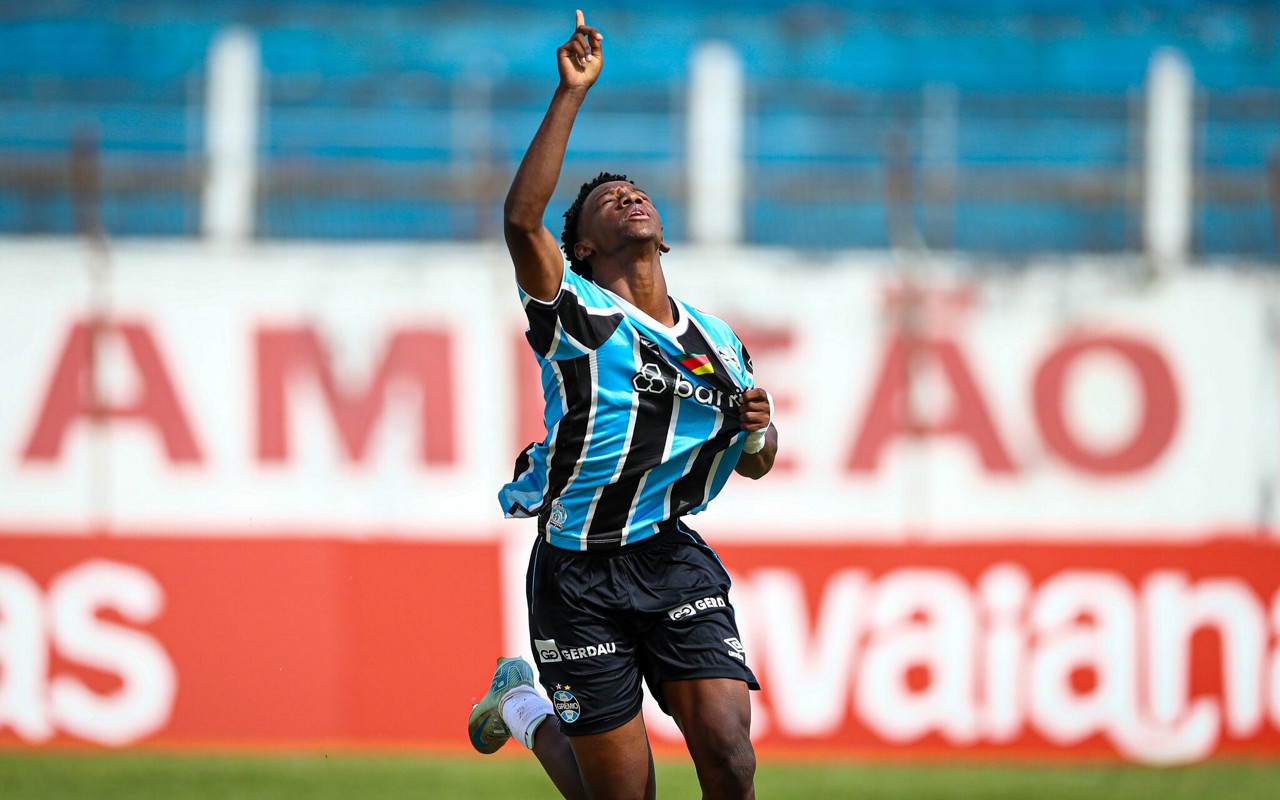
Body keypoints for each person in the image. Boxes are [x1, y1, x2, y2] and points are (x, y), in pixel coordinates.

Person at [467, 10, 777, 800]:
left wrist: (759, 433)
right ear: (583, 251)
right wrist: (571, 91)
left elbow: (759, 462)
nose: (628, 196)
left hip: (672, 560)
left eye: (634, 191)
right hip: (577, 573)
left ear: (664, 236)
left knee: (731, 759)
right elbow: (518, 220)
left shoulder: (717, 339)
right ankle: (522, 701)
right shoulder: (575, 313)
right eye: (608, 201)